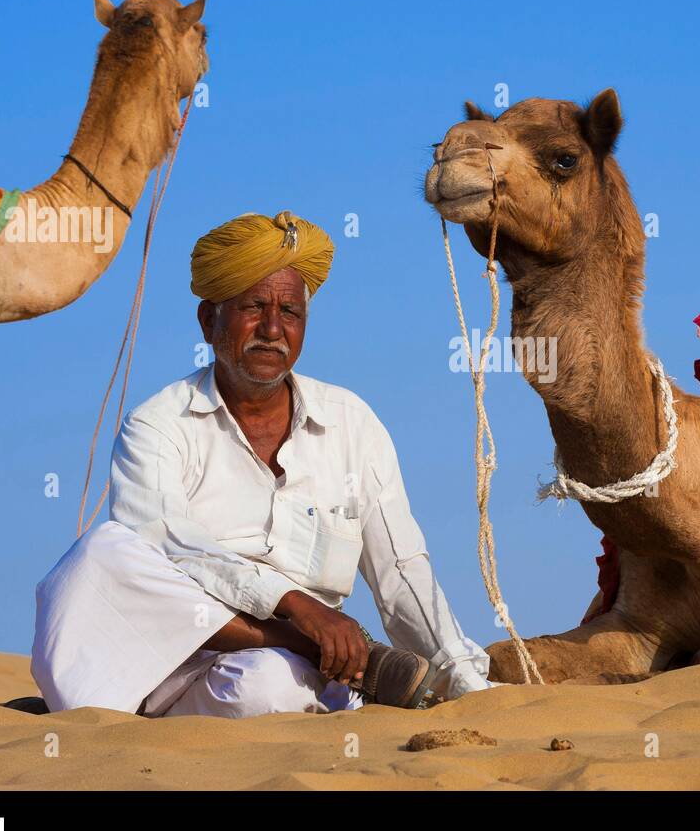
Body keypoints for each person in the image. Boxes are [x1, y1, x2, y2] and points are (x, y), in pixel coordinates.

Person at [31, 210, 491, 717]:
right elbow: (168, 544)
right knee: (106, 549)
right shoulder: (158, 425)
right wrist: (295, 609)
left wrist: (463, 681)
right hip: (166, 660)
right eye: (254, 307)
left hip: (286, 675)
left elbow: (401, 572)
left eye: (290, 313)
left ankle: (292, 659)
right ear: (209, 320)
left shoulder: (352, 423)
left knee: (267, 688)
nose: (273, 330)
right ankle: (296, 645)